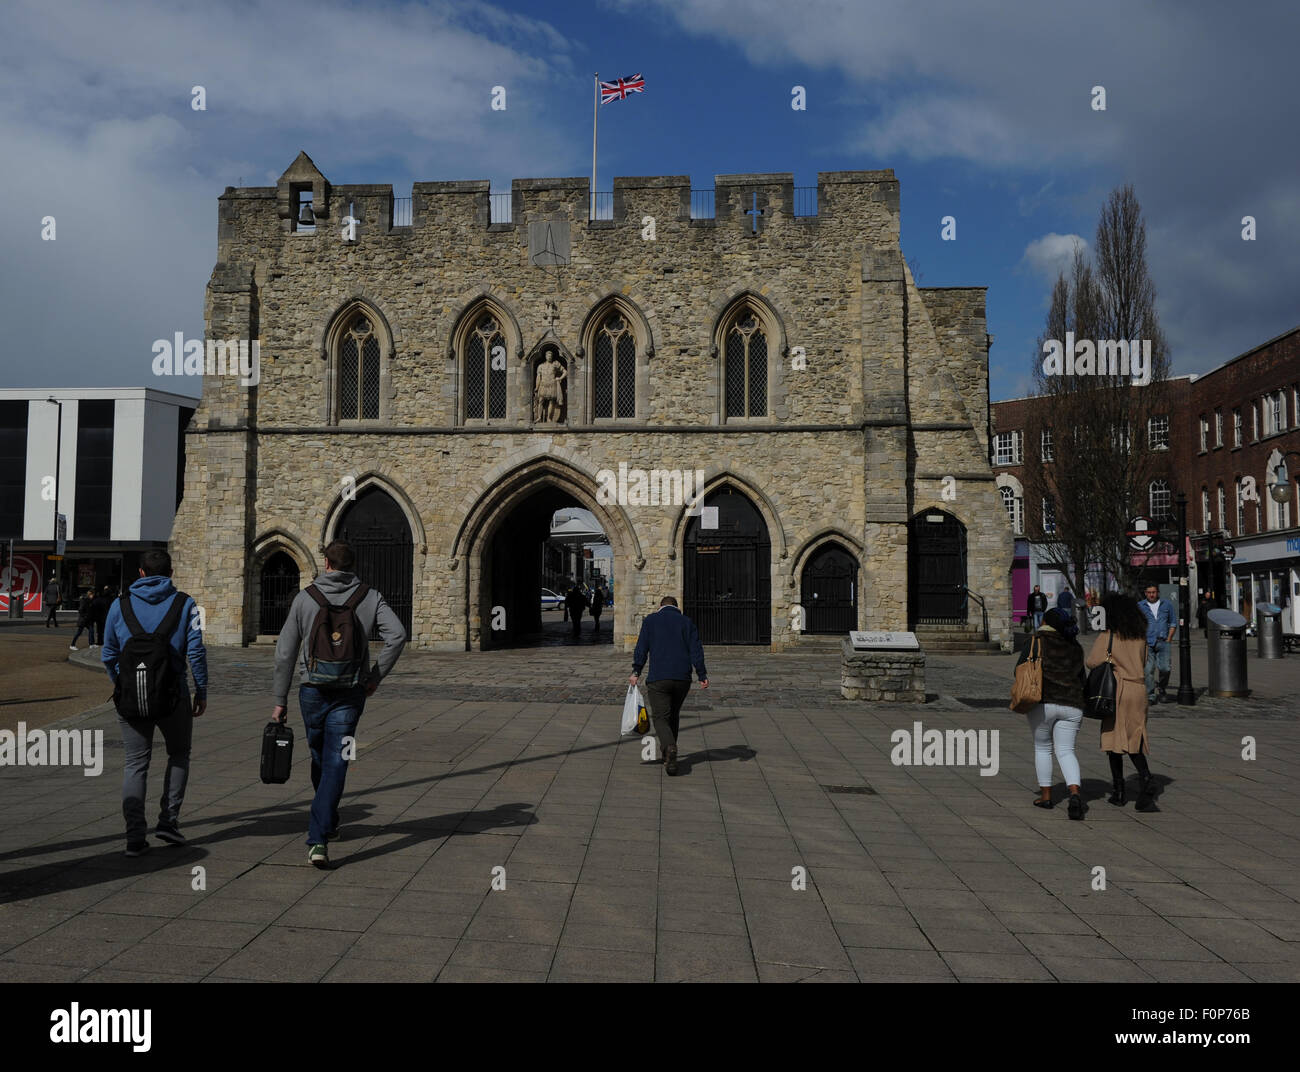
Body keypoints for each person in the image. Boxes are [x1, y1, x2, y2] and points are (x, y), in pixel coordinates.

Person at [272, 540, 406, 869]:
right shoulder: (370, 597)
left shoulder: (305, 598)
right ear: (352, 566)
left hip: (312, 691)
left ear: (327, 564)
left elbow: (285, 652)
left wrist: (279, 700)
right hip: (351, 691)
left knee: (320, 755)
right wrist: (374, 677)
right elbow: (398, 635)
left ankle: (317, 837)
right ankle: (326, 825)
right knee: (336, 760)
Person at [101, 550, 208, 856]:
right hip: (173, 694)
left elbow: (108, 653)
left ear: (141, 573)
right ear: (171, 573)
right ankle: (168, 822)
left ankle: (135, 836)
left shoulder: (119, 605)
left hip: (131, 697)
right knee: (179, 754)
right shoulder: (186, 604)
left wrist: (121, 682)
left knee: (136, 764)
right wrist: (201, 690)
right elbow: (197, 652)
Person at [1015, 608, 1087, 819]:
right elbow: (1081, 677)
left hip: (1043, 702)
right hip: (1072, 703)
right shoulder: (1075, 646)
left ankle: (1046, 796)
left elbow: (1019, 668)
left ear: (1046, 622)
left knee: (1043, 748)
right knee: (1066, 750)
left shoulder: (1036, 641)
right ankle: (1074, 793)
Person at [1086, 594, 1157, 810]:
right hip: (1139, 689)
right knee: (1135, 737)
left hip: (1118, 690)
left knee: (1114, 741)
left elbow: (1092, 662)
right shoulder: (1139, 636)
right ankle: (1145, 777)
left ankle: (1119, 791)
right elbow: (1144, 662)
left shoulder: (1109, 636)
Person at [629, 596, 708, 777]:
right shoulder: (686, 622)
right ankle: (668, 757)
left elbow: (641, 648)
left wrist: (636, 671)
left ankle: (669, 747)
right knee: (673, 715)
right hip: (682, 679)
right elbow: (696, 650)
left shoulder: (651, 621)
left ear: (660, 606)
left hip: (659, 678)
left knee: (660, 717)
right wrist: (702, 674)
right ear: (677, 607)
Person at [1139, 583, 1177, 705]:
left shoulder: (1166, 605)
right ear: (1145, 593)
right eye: (1149, 592)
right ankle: (1150, 695)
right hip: (1147, 642)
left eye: (1154, 592)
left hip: (1163, 641)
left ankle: (1162, 689)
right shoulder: (1140, 606)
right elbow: (1136, 623)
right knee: (1148, 670)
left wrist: (1169, 638)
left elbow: (1173, 622)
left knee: (1165, 668)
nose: (1151, 595)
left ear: (1157, 593)